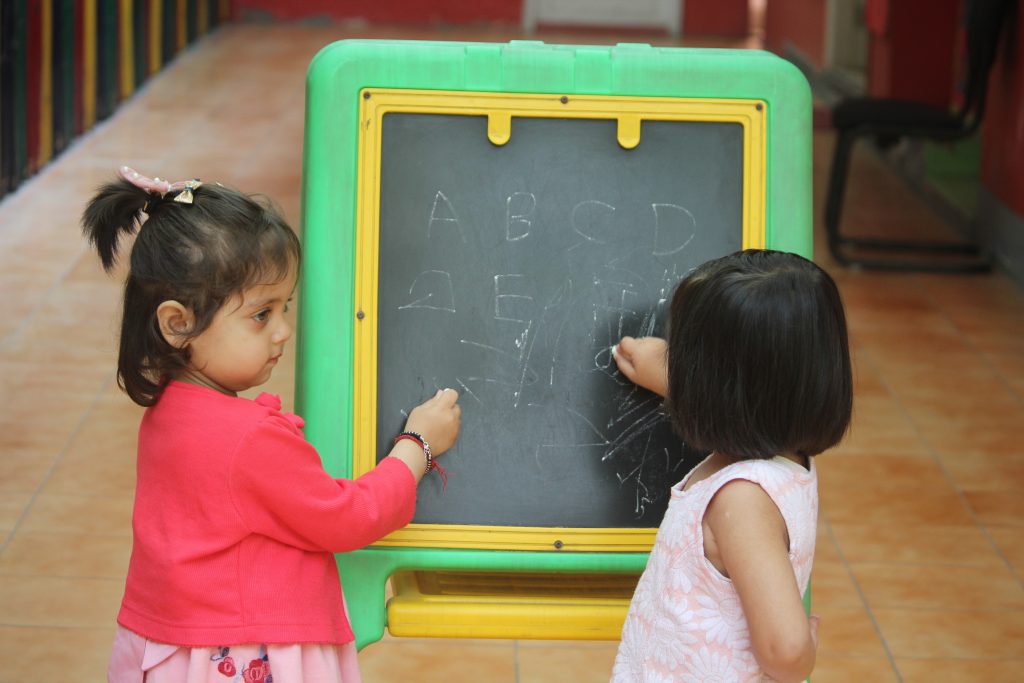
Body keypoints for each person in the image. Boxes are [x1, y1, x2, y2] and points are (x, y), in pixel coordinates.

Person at [86, 167, 461, 683]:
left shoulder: (167, 415)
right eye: (261, 314)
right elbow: (348, 517)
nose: (283, 330)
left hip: (176, 651)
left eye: (284, 307)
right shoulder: (248, 438)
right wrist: (417, 446)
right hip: (241, 657)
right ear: (178, 324)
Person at [610, 249, 852, 683]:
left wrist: (802, 652)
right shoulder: (784, 456)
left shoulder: (741, 502)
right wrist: (669, 377)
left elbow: (787, 650)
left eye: (686, 358)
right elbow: (760, 393)